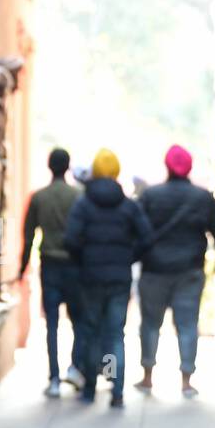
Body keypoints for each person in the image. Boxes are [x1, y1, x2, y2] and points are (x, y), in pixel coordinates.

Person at [134, 144, 215, 398]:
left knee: (151, 324)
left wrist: (133, 257)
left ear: (167, 166)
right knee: (187, 325)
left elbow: (136, 230)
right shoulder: (203, 198)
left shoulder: (150, 196)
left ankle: (147, 377)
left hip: (154, 270)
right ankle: (186, 381)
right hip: (189, 271)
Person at [64, 148, 155, 408]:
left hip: (90, 278)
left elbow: (71, 239)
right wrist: (128, 257)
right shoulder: (128, 206)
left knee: (91, 332)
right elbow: (147, 238)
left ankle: (91, 389)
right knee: (115, 335)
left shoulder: (83, 204)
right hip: (118, 279)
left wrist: (83, 260)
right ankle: (116, 390)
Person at [20, 148, 84, 397]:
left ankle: (54, 377)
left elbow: (28, 237)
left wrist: (22, 267)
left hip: (49, 264)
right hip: (73, 265)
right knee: (77, 320)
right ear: (67, 167)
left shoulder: (39, 198)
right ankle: (75, 367)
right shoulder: (78, 196)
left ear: (49, 166)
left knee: (52, 324)